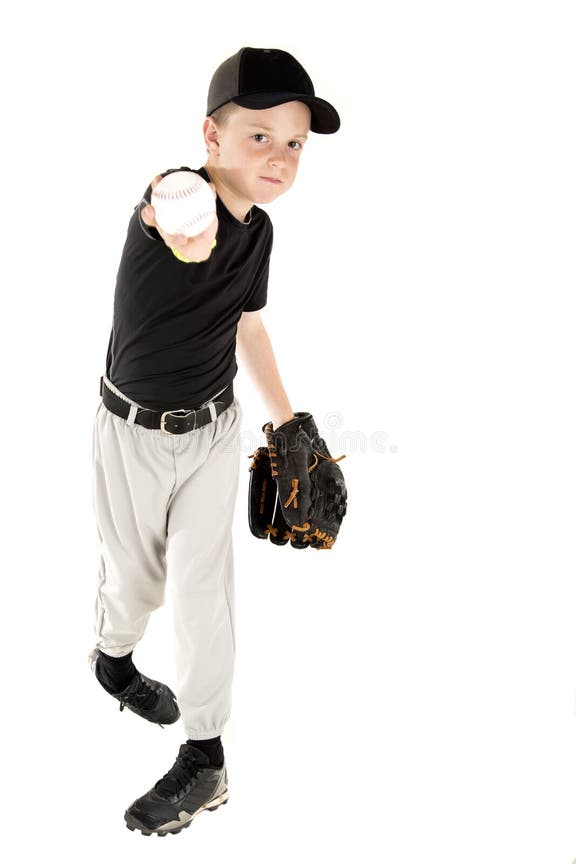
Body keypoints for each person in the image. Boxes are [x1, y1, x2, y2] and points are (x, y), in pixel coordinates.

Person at [88, 46, 340, 836]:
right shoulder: (181, 195)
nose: (280, 156)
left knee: (203, 593)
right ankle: (113, 660)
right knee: (136, 582)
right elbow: (175, 215)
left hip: (212, 432)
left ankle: (205, 760)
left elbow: (248, 325)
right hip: (130, 431)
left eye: (295, 143)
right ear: (211, 134)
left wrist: (288, 422)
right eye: (259, 135)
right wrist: (179, 214)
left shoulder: (260, 233)